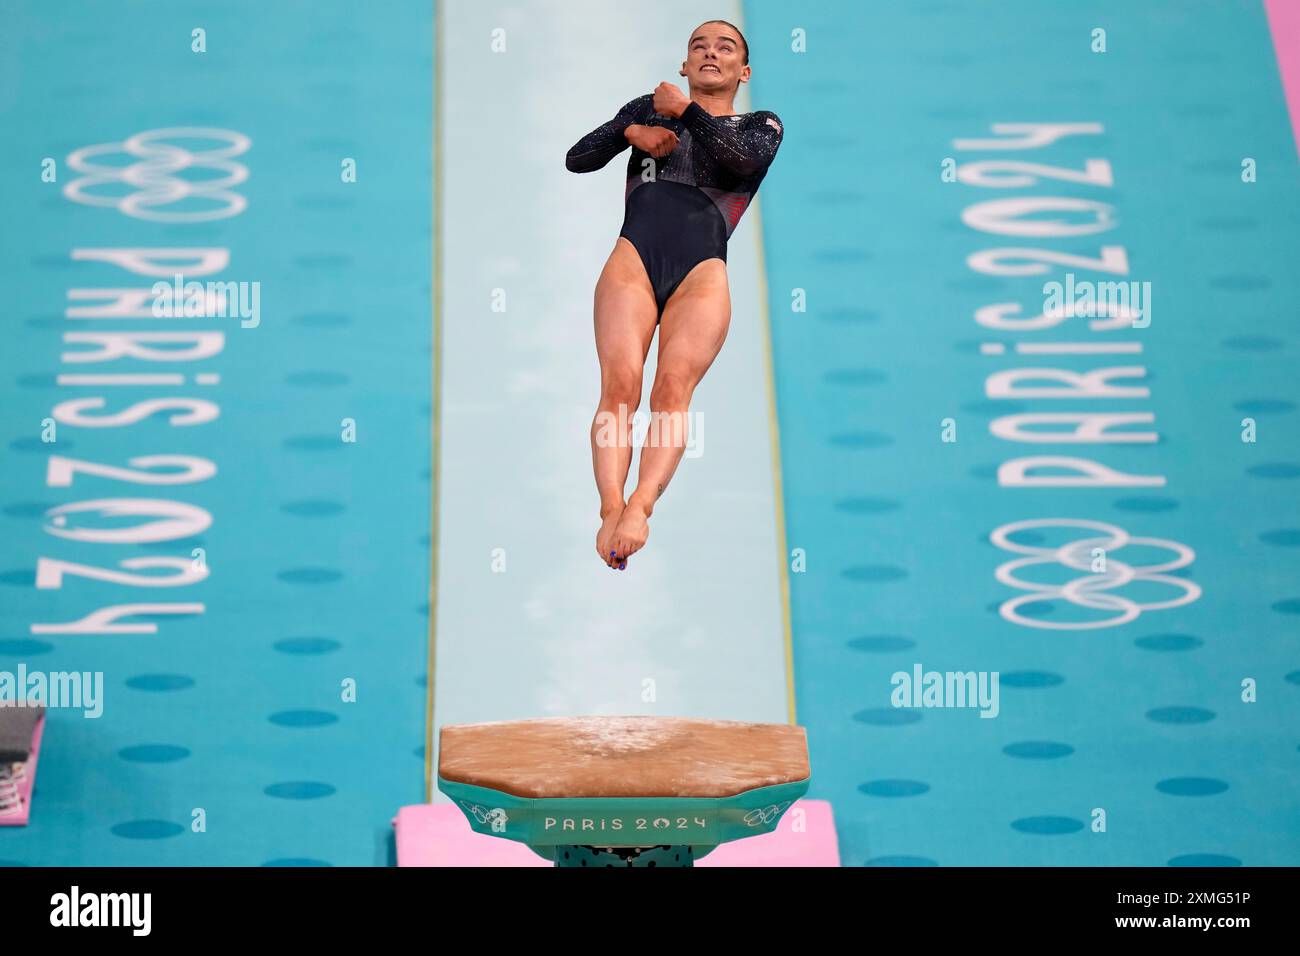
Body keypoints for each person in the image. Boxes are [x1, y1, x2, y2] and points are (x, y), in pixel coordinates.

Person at [566, 19, 784, 570]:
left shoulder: (762, 124)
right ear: (684, 65)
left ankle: (642, 505)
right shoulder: (648, 107)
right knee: (620, 383)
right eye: (699, 46)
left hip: (701, 273)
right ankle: (611, 508)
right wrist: (628, 133)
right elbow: (578, 158)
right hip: (633, 260)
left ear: (744, 70)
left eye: (725, 47)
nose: (711, 52)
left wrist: (684, 112)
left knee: (672, 388)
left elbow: (742, 162)